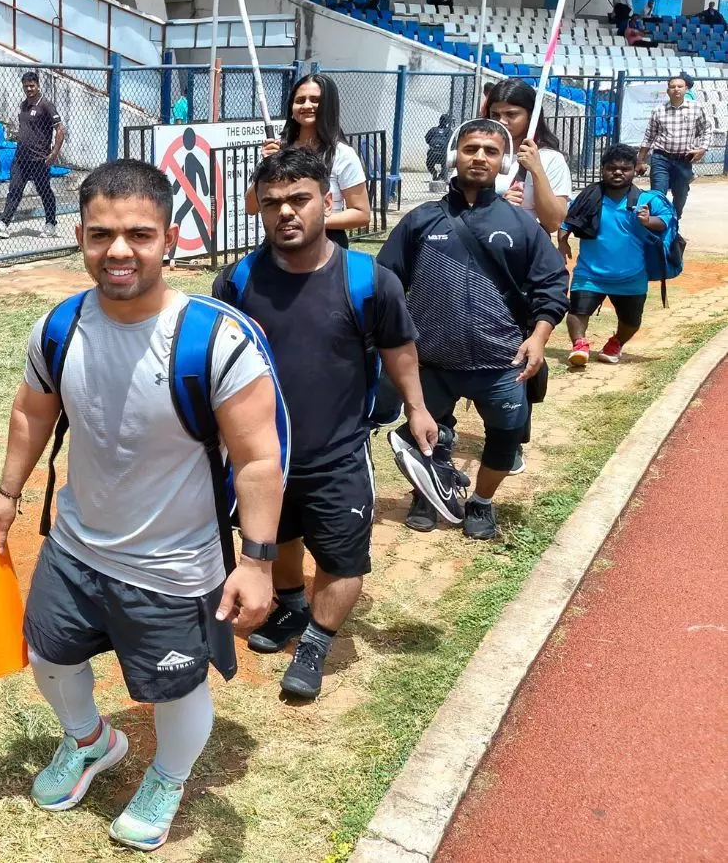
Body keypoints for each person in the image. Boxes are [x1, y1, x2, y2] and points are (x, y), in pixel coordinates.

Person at [0, 159, 284, 851]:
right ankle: (90, 742)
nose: (119, 251)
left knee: (174, 690)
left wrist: (256, 562)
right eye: (101, 234)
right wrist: (6, 494)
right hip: (77, 544)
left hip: (172, 564)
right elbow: (32, 411)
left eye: (139, 234)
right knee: (47, 656)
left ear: (170, 238)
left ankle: (167, 777)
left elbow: (259, 458)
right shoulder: (60, 326)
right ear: (80, 236)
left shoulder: (217, 338)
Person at [210, 148, 435, 700]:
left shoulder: (367, 279)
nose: (286, 212)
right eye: (272, 203)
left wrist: (417, 406)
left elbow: (399, 348)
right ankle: (291, 606)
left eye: (299, 199)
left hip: (338, 452)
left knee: (342, 559)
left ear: (326, 202)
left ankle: (316, 639)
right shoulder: (237, 281)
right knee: (276, 536)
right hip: (262, 456)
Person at [378, 120, 568, 540]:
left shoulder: (521, 225)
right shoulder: (420, 220)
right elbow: (386, 282)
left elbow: (553, 284)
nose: (480, 157)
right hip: (432, 360)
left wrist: (538, 337)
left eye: (490, 151)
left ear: (504, 162)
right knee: (425, 432)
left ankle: (482, 501)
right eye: (470, 148)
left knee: (504, 436)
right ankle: (428, 492)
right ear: (454, 155)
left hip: (503, 361)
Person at [558, 144, 677, 367]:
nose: (618, 172)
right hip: (589, 274)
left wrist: (647, 221)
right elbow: (568, 220)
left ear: (635, 170)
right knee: (576, 312)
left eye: (625, 169)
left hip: (631, 277)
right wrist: (562, 242)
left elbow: (664, 221)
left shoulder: (647, 200)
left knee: (631, 322)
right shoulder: (588, 197)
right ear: (602, 169)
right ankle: (579, 345)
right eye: (612, 168)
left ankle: (616, 343)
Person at [245, 74, 371, 248]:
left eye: (315, 100)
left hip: (325, 245)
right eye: (300, 100)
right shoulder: (279, 150)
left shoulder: (342, 154)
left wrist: (309, 221)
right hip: (280, 246)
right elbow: (251, 207)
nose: (306, 105)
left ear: (328, 107)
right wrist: (267, 165)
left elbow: (362, 214)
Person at [484, 77, 573, 235]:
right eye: (495, 115)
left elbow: (553, 222)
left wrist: (536, 170)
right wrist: (498, 206)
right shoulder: (478, 153)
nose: (501, 121)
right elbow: (459, 206)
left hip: (528, 244)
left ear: (530, 116)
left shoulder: (551, 159)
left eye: (511, 114)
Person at [0, 71, 65, 240]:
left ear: (38, 85)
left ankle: (51, 224)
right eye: (26, 86)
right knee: (14, 190)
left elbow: (60, 129)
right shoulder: (23, 105)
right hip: (21, 158)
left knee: (44, 191)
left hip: (39, 159)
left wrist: (54, 153)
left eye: (32, 86)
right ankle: (3, 225)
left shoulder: (46, 105)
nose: (29, 89)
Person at [637, 73, 709, 219]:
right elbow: (649, 137)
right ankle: (658, 224)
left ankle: (674, 221)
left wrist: (702, 149)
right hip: (661, 158)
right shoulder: (659, 110)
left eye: (680, 86)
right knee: (658, 194)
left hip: (684, 160)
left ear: (686, 89)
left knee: (681, 195)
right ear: (668, 90)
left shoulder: (696, 108)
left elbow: (706, 129)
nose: (676, 89)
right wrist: (640, 161)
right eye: (673, 87)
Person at [425, 113, 454, 180]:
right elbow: (453, 144)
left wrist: (434, 147)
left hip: (433, 153)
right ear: (447, 122)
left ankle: (434, 172)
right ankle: (441, 176)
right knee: (446, 164)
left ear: (439, 120)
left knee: (429, 162)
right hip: (443, 154)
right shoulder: (449, 131)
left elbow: (427, 139)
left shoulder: (433, 130)